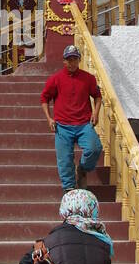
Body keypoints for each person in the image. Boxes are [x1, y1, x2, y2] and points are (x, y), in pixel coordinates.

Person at [41, 44, 103, 191]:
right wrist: (49, 118)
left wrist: (96, 113)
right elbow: (44, 98)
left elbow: (97, 96)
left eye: (75, 59)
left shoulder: (88, 78)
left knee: (94, 148)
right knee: (65, 160)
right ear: (64, 61)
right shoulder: (55, 79)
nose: (72, 62)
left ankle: (82, 169)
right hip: (62, 125)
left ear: (79, 60)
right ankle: (68, 189)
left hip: (84, 124)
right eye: (69, 59)